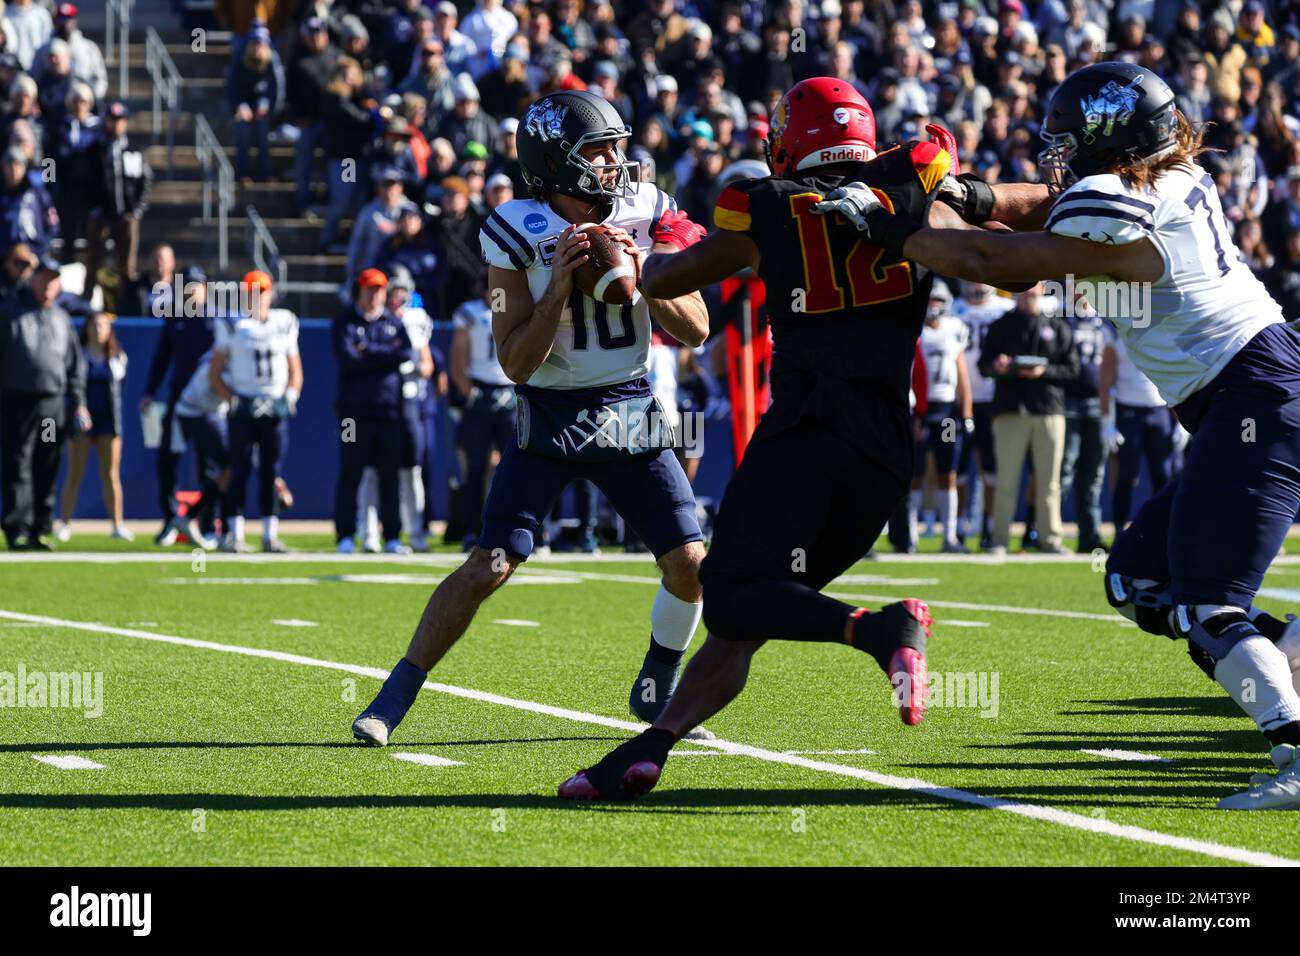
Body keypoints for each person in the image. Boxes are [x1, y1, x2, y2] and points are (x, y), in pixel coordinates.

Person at [841, 61, 1300, 809]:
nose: (1056, 157)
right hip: (1256, 393)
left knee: (1207, 606)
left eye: (1067, 142)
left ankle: (1295, 749)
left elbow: (994, 262)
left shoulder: (1123, 204)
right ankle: (1288, 652)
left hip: (1258, 397)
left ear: (1107, 140)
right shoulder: (1164, 179)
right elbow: (1040, 211)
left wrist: (896, 226)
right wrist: (965, 194)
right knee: (1138, 580)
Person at [556, 79, 975, 801]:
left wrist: (635, 258)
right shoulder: (913, 186)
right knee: (749, 613)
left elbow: (671, 280)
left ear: (790, 141)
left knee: (727, 595)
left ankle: (880, 629)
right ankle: (649, 748)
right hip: (884, 452)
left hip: (807, 435)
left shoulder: (769, 206)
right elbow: (996, 241)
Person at [352, 89, 710, 750]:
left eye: (615, 149)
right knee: (490, 564)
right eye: (598, 151)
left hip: (629, 406)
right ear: (557, 162)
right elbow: (515, 360)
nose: (614, 163)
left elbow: (697, 329)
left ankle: (659, 686)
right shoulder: (515, 227)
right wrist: (558, 291)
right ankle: (394, 695)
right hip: (550, 413)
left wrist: (646, 274)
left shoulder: (646, 208)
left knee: (690, 563)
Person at [976, 284, 1077, 555]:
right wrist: (998, 366)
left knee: (1049, 482)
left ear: (1042, 290)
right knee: (1006, 480)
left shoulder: (1057, 327)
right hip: (1010, 411)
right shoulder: (1001, 326)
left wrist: (1044, 370)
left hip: (1049, 411)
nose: (1027, 295)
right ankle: (999, 540)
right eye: (1023, 290)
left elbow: (1072, 369)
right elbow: (983, 365)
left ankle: (1051, 539)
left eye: (1033, 289)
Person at [209, 270, 302, 553]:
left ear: (270, 293)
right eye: (251, 292)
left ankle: (269, 534)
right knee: (239, 470)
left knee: (271, 472)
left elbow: (295, 368)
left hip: (274, 404)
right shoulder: (231, 323)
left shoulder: (284, 321)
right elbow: (215, 373)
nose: (257, 297)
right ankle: (234, 534)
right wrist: (233, 400)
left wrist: (291, 395)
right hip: (245, 404)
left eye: (261, 292)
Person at [0, 261, 86, 550]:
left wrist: (78, 402)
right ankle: (17, 527)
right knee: (18, 463)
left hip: (51, 407)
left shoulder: (61, 318)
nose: (48, 286)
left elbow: (74, 366)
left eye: (53, 281)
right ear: (33, 280)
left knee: (46, 460)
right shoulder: (11, 313)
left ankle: (40, 526)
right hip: (18, 404)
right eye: (44, 279)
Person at [331, 268, 412, 554]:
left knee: (389, 475)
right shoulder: (344, 321)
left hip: (388, 411)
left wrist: (368, 349)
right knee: (351, 472)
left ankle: (391, 536)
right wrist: (384, 356)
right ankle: (345, 535)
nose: (374, 294)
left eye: (379, 289)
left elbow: (405, 353)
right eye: (369, 289)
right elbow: (349, 359)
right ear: (359, 290)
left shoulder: (393, 321)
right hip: (352, 414)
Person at [139, 261, 219, 545]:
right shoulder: (175, 318)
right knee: (167, 461)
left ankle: (207, 524)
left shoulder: (217, 321)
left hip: (207, 404)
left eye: (194, 285)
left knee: (210, 464)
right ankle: (171, 520)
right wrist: (149, 392)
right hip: (179, 402)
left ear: (205, 288)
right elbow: (162, 357)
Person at [55, 310, 129, 541]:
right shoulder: (78, 356)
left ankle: (117, 525)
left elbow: (119, 390)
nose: (98, 330)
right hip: (81, 422)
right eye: (94, 325)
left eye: (103, 325)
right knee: (75, 473)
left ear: (110, 330)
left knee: (111, 475)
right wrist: (79, 409)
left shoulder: (117, 357)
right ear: (86, 329)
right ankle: (64, 524)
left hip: (109, 422)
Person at [450, 280, 514, 546]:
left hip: (510, 389)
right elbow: (458, 357)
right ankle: (472, 530)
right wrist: (469, 391)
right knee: (475, 467)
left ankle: (518, 529)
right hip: (480, 389)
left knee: (516, 467)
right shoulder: (470, 312)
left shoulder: (517, 307)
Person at [913, 280, 974, 553]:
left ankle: (949, 536)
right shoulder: (914, 330)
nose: (933, 306)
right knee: (915, 473)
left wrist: (967, 412)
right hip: (920, 410)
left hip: (947, 411)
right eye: (929, 300)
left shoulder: (954, 328)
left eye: (937, 300)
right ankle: (911, 536)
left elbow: (962, 374)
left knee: (947, 472)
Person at [1099, 328, 1180, 531]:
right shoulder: (1116, 330)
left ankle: (1161, 532)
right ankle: (1119, 531)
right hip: (1128, 410)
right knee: (1127, 476)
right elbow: (1106, 376)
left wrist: (1180, 421)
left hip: (1159, 410)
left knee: (1163, 474)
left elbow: (1175, 374)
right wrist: (1106, 421)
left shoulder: (1164, 326)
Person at [85, 101, 151, 302]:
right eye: (112, 120)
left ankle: (126, 303)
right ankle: (86, 300)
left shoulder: (134, 150)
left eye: (120, 120)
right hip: (101, 215)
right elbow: (84, 181)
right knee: (94, 262)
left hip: (126, 215)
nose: (116, 124)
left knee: (127, 266)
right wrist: (93, 207)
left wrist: (137, 209)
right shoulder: (95, 150)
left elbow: (145, 180)